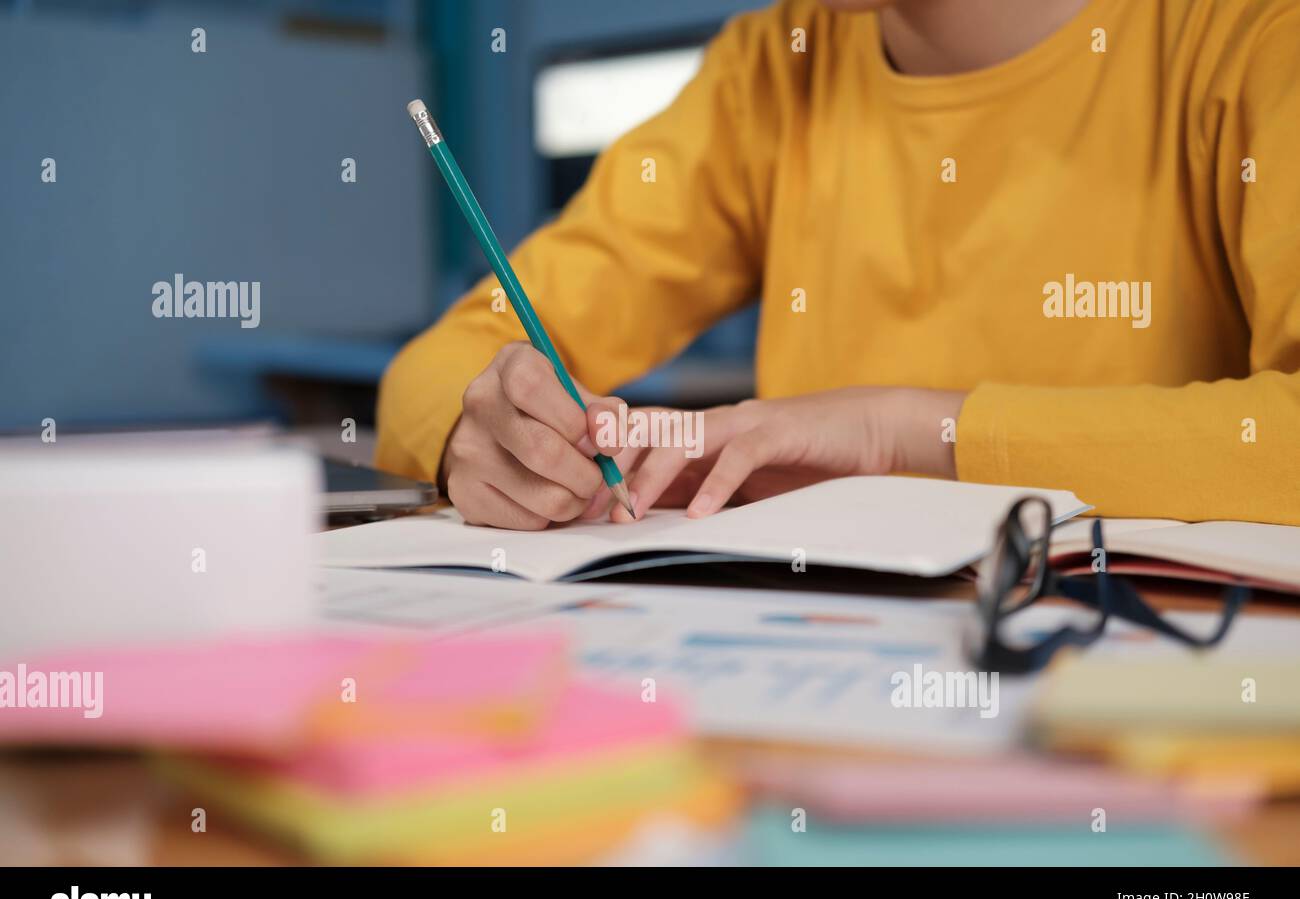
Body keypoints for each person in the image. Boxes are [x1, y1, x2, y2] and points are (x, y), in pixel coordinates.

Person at [376, 0, 1300, 530]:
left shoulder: (1254, 39)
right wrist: (483, 431)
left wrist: (902, 435)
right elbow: (449, 359)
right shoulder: (774, 69)